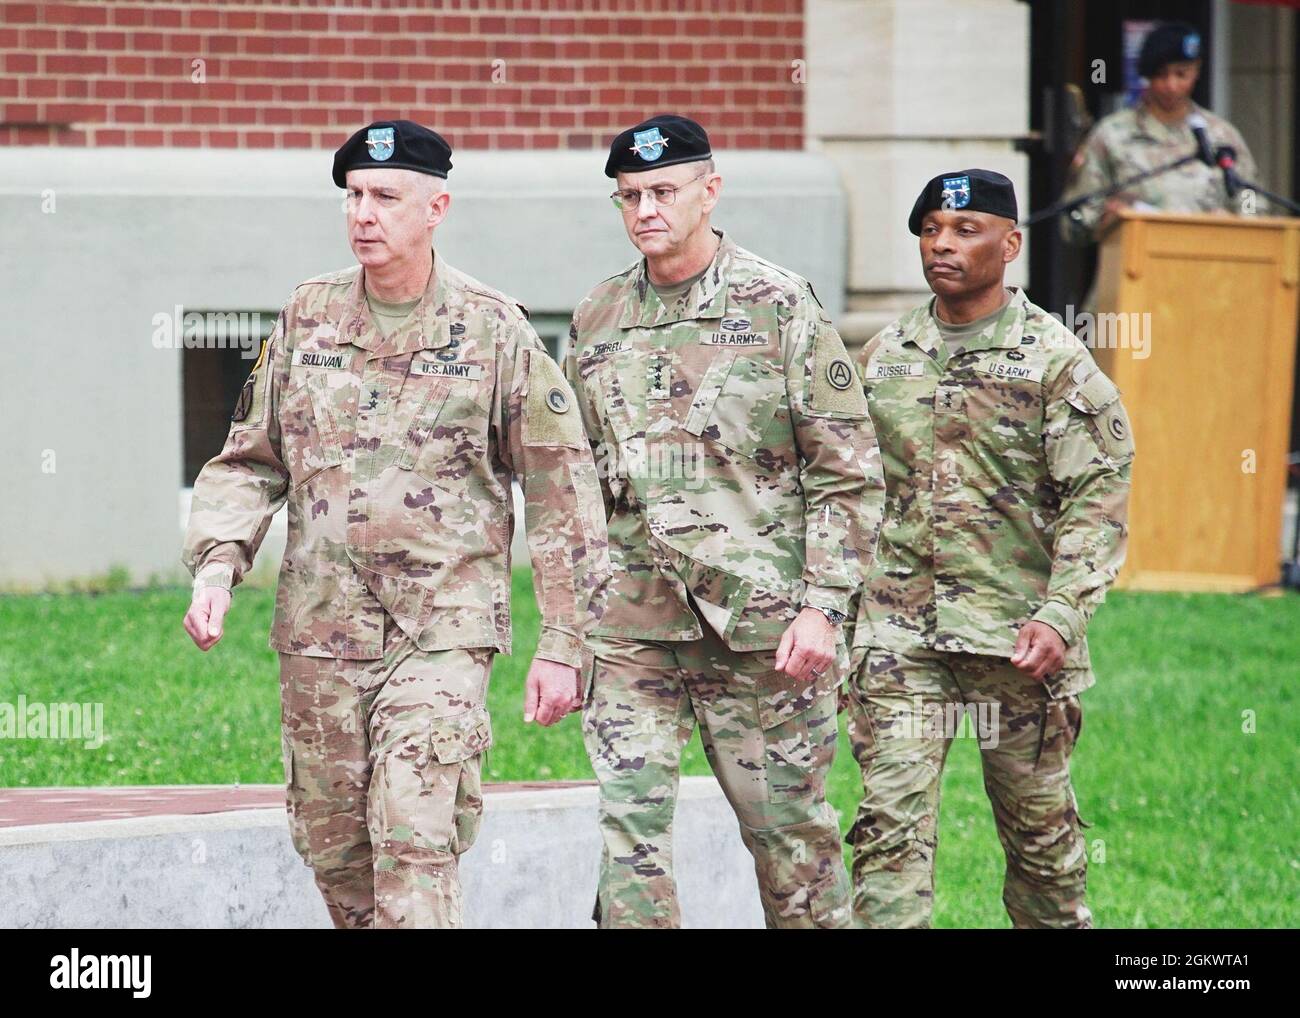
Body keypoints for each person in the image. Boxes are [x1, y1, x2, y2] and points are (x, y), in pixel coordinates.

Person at [181, 120, 609, 929]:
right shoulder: (307, 317)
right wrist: (216, 564)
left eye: (385, 196)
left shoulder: (493, 331)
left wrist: (564, 642)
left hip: (440, 630)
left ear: (436, 206)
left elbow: (561, 489)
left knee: (415, 838)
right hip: (320, 628)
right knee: (337, 849)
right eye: (353, 196)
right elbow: (250, 460)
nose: (363, 214)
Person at [564, 114, 886, 928]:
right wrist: (570, 627)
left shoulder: (778, 305)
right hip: (634, 622)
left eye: (663, 191)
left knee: (790, 844)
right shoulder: (597, 318)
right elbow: (578, 480)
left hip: (762, 627)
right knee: (629, 834)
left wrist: (823, 606)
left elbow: (847, 472)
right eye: (629, 196)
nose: (645, 210)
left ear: (710, 191)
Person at [845, 169, 1133, 928]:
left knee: (1042, 852)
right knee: (888, 833)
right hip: (900, 636)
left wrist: (1062, 612)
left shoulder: (1055, 362)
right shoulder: (886, 356)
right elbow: (844, 485)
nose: (942, 243)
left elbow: (1096, 505)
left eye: (965, 229)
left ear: (1010, 244)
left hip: (1018, 642)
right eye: (932, 227)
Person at [1061, 20, 1261, 247]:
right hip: (1136, 266)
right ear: (1147, 75)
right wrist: (1107, 219)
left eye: (1181, 74)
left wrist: (1237, 221)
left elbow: (1251, 198)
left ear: (1197, 70)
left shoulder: (1221, 136)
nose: (1171, 85)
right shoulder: (1112, 135)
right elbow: (1074, 219)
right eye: (1161, 75)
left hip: (1209, 266)